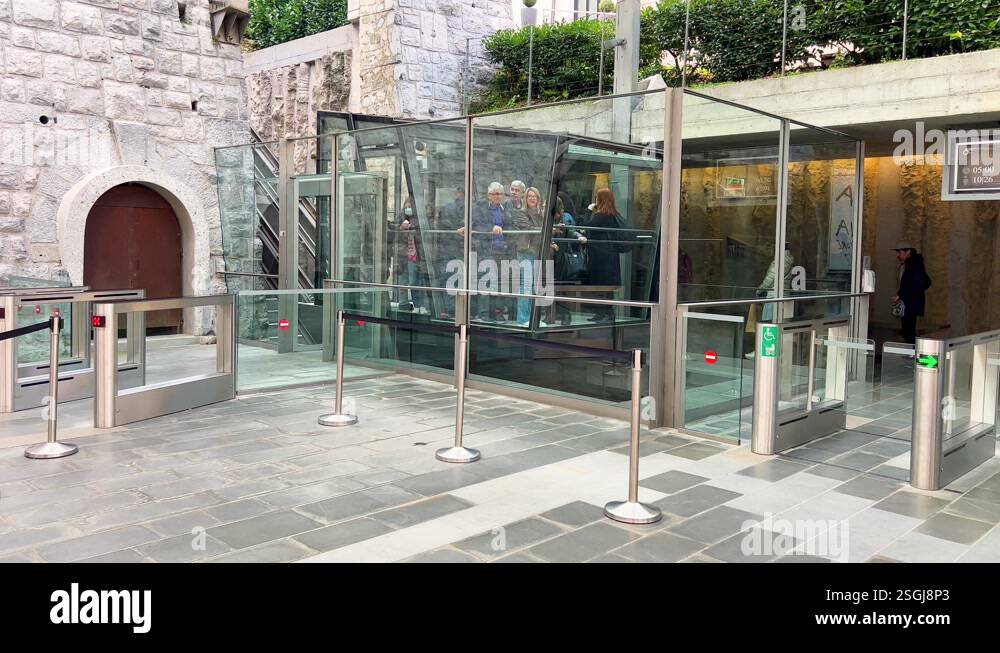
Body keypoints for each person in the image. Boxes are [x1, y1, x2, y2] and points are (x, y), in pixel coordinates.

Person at [582, 188, 632, 323]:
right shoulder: (614, 215)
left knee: (598, 285)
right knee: (606, 287)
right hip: (611, 256)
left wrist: (589, 210)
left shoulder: (601, 216)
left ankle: (602, 312)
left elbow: (586, 225)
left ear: (600, 200)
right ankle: (607, 312)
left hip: (600, 256)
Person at [744, 243, 794, 359]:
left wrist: (759, 290)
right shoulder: (788, 260)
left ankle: (763, 350)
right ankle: (777, 351)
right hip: (783, 297)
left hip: (773, 297)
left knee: (767, 325)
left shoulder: (779, 261)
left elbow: (769, 280)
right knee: (777, 325)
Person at [469, 182, 510, 322]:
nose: (498, 196)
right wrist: (491, 227)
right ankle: (484, 313)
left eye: (500, 194)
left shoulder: (505, 209)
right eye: (495, 194)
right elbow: (477, 223)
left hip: (502, 250)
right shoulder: (480, 208)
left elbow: (509, 225)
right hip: (485, 249)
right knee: (486, 281)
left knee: (498, 282)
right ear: (489, 195)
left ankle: (496, 312)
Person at [510, 187, 545, 326]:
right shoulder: (520, 213)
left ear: (538, 199)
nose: (532, 198)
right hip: (526, 252)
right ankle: (523, 318)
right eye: (529, 196)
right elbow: (528, 228)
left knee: (534, 286)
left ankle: (532, 318)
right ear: (525, 199)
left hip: (538, 252)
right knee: (525, 285)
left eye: (534, 196)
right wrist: (546, 229)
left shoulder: (541, 214)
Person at [393, 196, 428, 313]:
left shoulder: (418, 219)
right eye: (406, 206)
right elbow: (392, 230)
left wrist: (413, 228)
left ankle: (418, 304)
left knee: (414, 281)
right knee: (403, 280)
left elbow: (422, 233)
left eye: (410, 206)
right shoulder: (400, 218)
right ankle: (403, 304)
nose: (408, 209)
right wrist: (400, 228)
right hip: (402, 255)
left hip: (414, 256)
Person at [892, 240, 932, 344]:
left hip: (910, 304)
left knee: (908, 332)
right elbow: (926, 281)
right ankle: (910, 355)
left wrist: (902, 295)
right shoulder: (912, 264)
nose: (898, 255)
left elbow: (918, 282)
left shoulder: (913, 264)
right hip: (910, 303)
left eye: (900, 252)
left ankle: (911, 356)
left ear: (908, 252)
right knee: (908, 331)